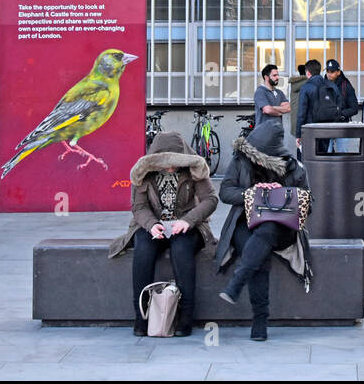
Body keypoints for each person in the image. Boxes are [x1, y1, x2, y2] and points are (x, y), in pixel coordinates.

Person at [108, 131, 218, 337]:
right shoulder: (144, 173)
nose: (170, 167)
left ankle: (185, 316)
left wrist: (188, 220)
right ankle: (141, 316)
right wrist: (151, 225)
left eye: (175, 162)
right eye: (165, 163)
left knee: (181, 248)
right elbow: (138, 206)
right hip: (154, 226)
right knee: (143, 247)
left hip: (188, 226)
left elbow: (210, 199)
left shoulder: (194, 169)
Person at [216, 120, 313, 341]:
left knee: (266, 231)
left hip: (282, 228)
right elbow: (225, 192)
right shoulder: (242, 159)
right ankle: (260, 319)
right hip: (245, 222)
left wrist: (283, 195)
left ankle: (237, 285)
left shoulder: (294, 168)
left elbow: (309, 205)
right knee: (257, 248)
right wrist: (251, 193)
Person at [295, 58, 358, 155]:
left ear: (338, 72)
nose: (329, 74)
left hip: (340, 124)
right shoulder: (325, 84)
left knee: (342, 153)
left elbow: (354, 107)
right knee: (327, 154)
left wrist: (340, 115)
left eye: (332, 71)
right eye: (327, 71)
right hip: (326, 125)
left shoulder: (345, 85)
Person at [253, 63, 290, 131]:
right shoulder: (260, 92)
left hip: (277, 133)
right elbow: (267, 110)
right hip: (263, 132)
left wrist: (273, 107)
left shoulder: (279, 92)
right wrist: (279, 112)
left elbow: (288, 108)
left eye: (277, 75)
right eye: (274, 75)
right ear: (266, 77)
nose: (277, 78)